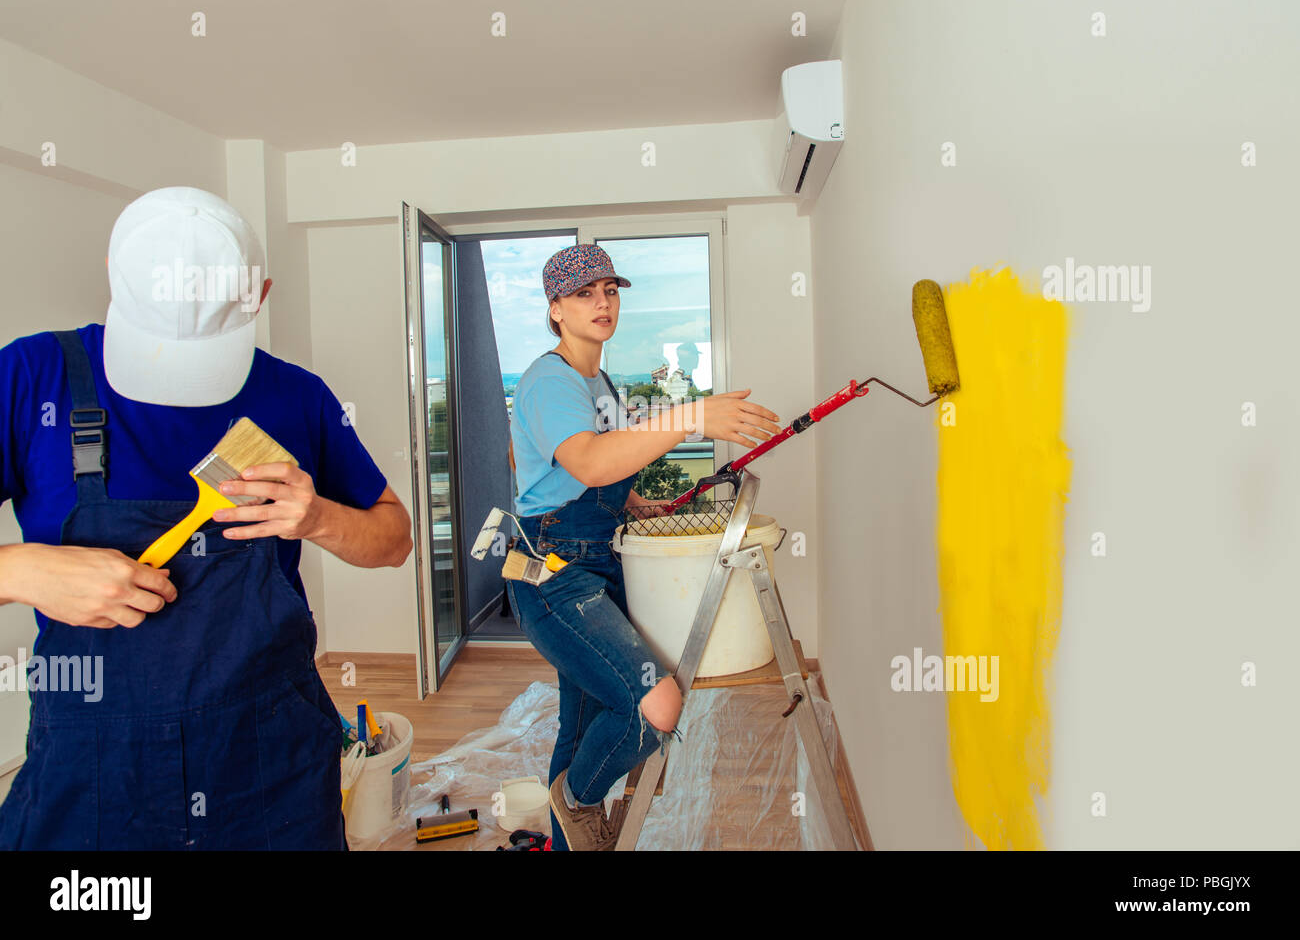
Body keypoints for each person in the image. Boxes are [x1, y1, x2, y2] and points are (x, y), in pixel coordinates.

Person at [0, 187, 412, 849]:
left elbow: (394, 538)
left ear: (260, 293)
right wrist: (19, 568)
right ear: (114, 272)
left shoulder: (295, 396)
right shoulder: (30, 378)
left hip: (270, 767)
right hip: (95, 775)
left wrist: (318, 517)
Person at [506, 244, 781, 850]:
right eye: (583, 293)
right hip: (552, 571)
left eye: (609, 290)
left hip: (598, 556)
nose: (602, 302)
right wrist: (687, 417)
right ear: (555, 308)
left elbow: (564, 467)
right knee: (655, 705)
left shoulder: (596, 378)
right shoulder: (548, 379)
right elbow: (590, 461)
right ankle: (578, 803)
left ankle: (562, 842)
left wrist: (631, 505)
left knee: (578, 726)